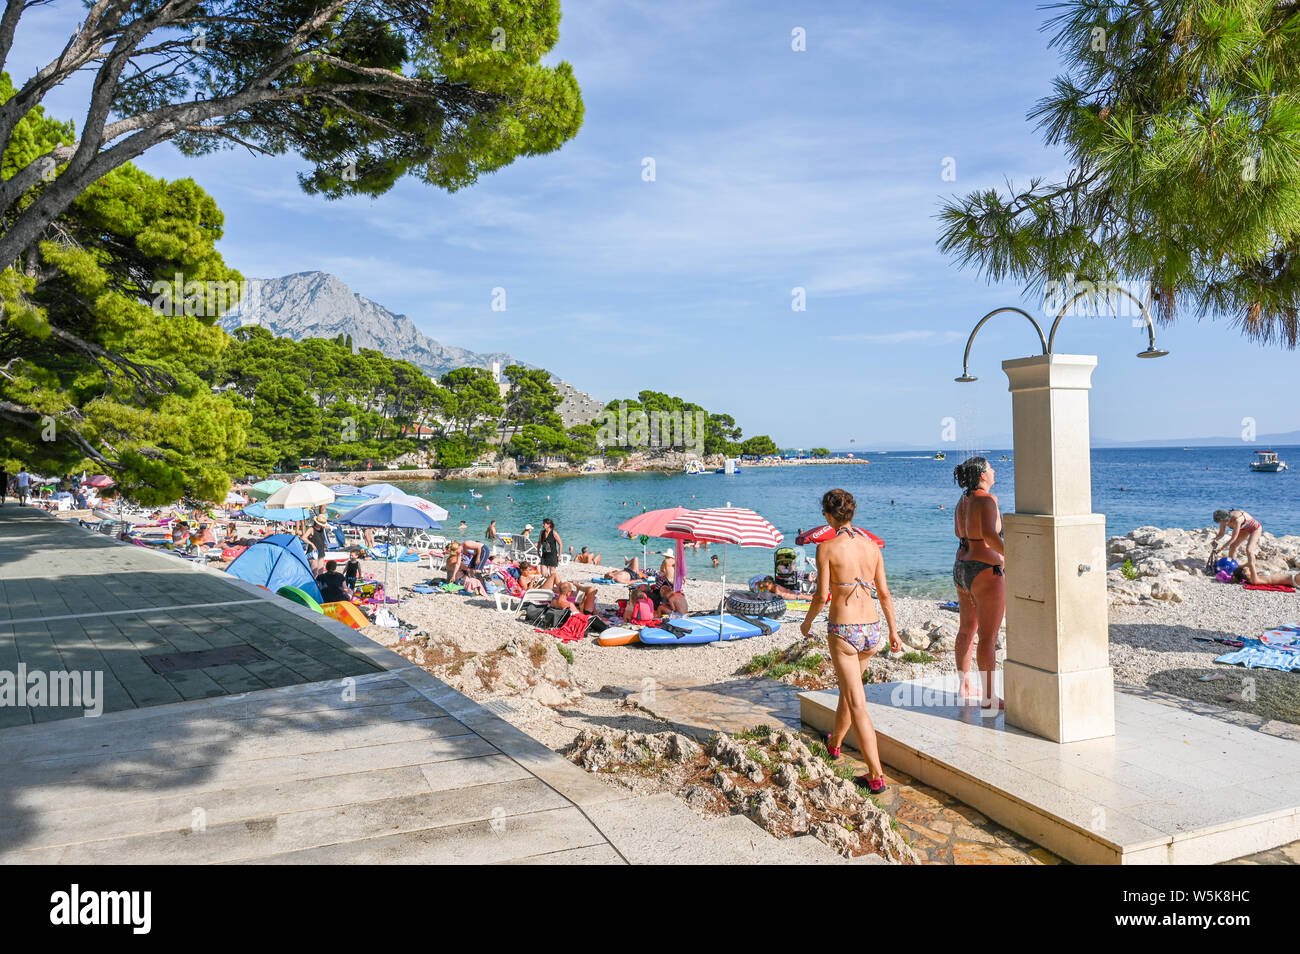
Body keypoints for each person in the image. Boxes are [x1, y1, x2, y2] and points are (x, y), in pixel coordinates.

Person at [800, 488, 900, 795]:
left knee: (857, 702)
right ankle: (835, 744)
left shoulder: (827, 547)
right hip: (871, 629)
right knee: (849, 689)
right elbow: (884, 593)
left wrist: (806, 623)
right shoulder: (873, 547)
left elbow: (821, 596)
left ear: (829, 516)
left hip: (844, 630)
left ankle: (876, 775)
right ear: (852, 513)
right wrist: (894, 632)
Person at [952, 457, 1005, 709]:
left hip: (961, 566)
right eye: (991, 468)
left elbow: (958, 532)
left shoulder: (963, 500)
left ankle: (964, 686)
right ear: (983, 475)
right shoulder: (987, 500)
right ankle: (988, 697)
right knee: (987, 636)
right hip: (985, 570)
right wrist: (1011, 555)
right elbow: (989, 536)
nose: (994, 471)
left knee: (966, 630)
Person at [1212, 509, 1264, 583]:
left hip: (1255, 529)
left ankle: (1253, 570)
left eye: (1224, 522)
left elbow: (1233, 538)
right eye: (1221, 522)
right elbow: (1221, 534)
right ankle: (1232, 569)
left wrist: (1221, 548)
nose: (1223, 524)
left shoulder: (1237, 519)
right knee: (1233, 547)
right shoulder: (1222, 519)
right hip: (1244, 529)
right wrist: (1215, 540)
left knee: (1249, 549)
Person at [1231, 565, 1300, 587]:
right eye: (1245, 569)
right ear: (1244, 574)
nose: (1247, 568)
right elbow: (1252, 565)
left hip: (1294, 576)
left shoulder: (1256, 575)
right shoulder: (1254, 580)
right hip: (1293, 580)